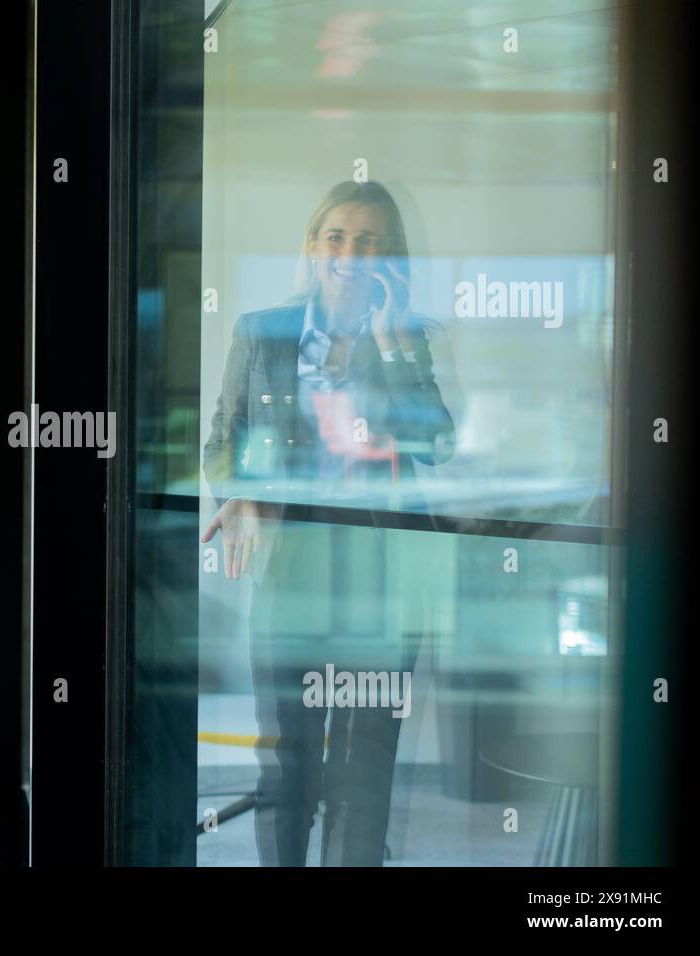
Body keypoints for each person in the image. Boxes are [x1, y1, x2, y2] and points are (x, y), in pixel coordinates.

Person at [201, 180, 454, 865]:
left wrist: (391, 342)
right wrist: (245, 494)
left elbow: (434, 441)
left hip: (386, 584)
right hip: (293, 576)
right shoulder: (262, 331)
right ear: (313, 247)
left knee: (365, 770)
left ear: (390, 259)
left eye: (370, 241)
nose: (350, 253)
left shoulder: (410, 340)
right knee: (288, 763)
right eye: (337, 237)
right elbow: (222, 441)